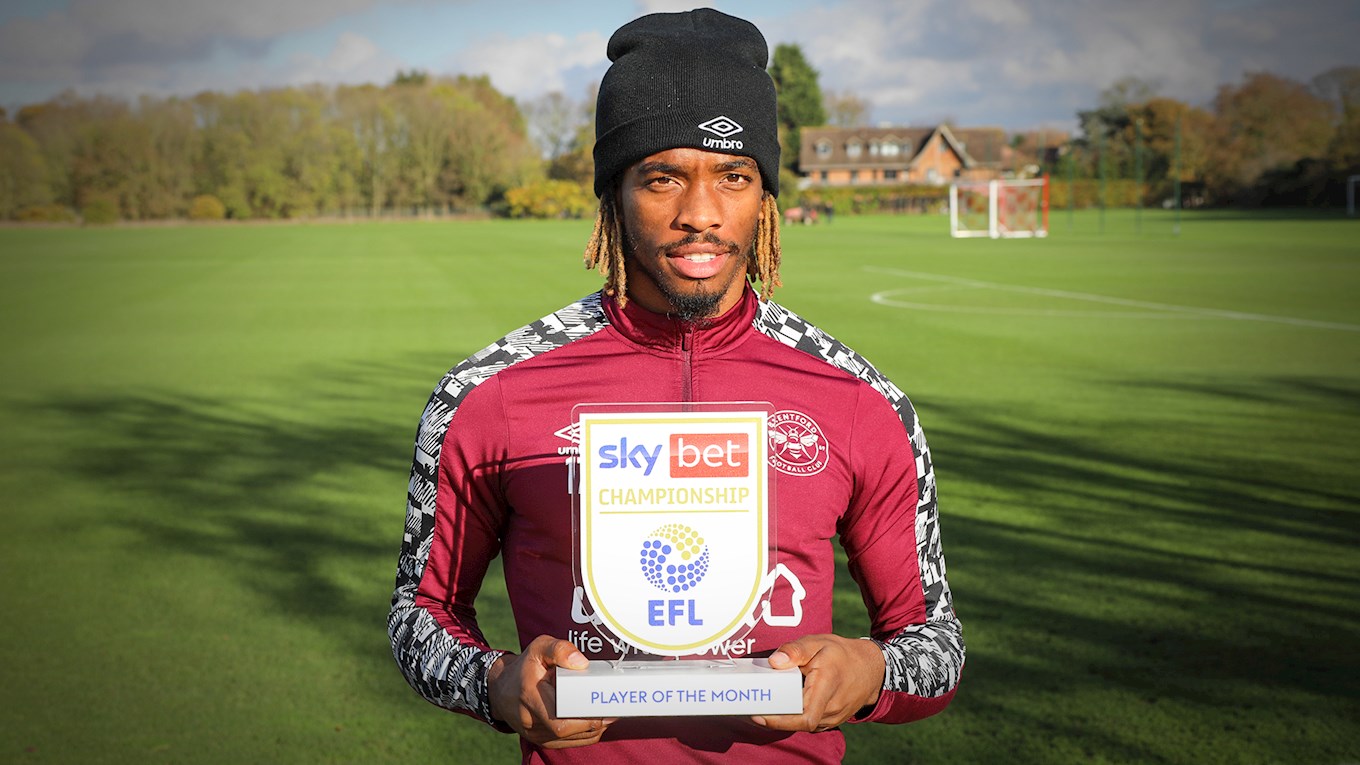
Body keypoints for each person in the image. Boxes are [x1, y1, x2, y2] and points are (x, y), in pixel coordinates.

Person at [387, 9, 963, 763]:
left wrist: (869, 672)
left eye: (734, 176)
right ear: (613, 193)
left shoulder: (859, 400)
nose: (700, 214)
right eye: (662, 178)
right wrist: (495, 681)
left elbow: (934, 643)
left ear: (765, 196)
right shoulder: (488, 394)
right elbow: (420, 615)